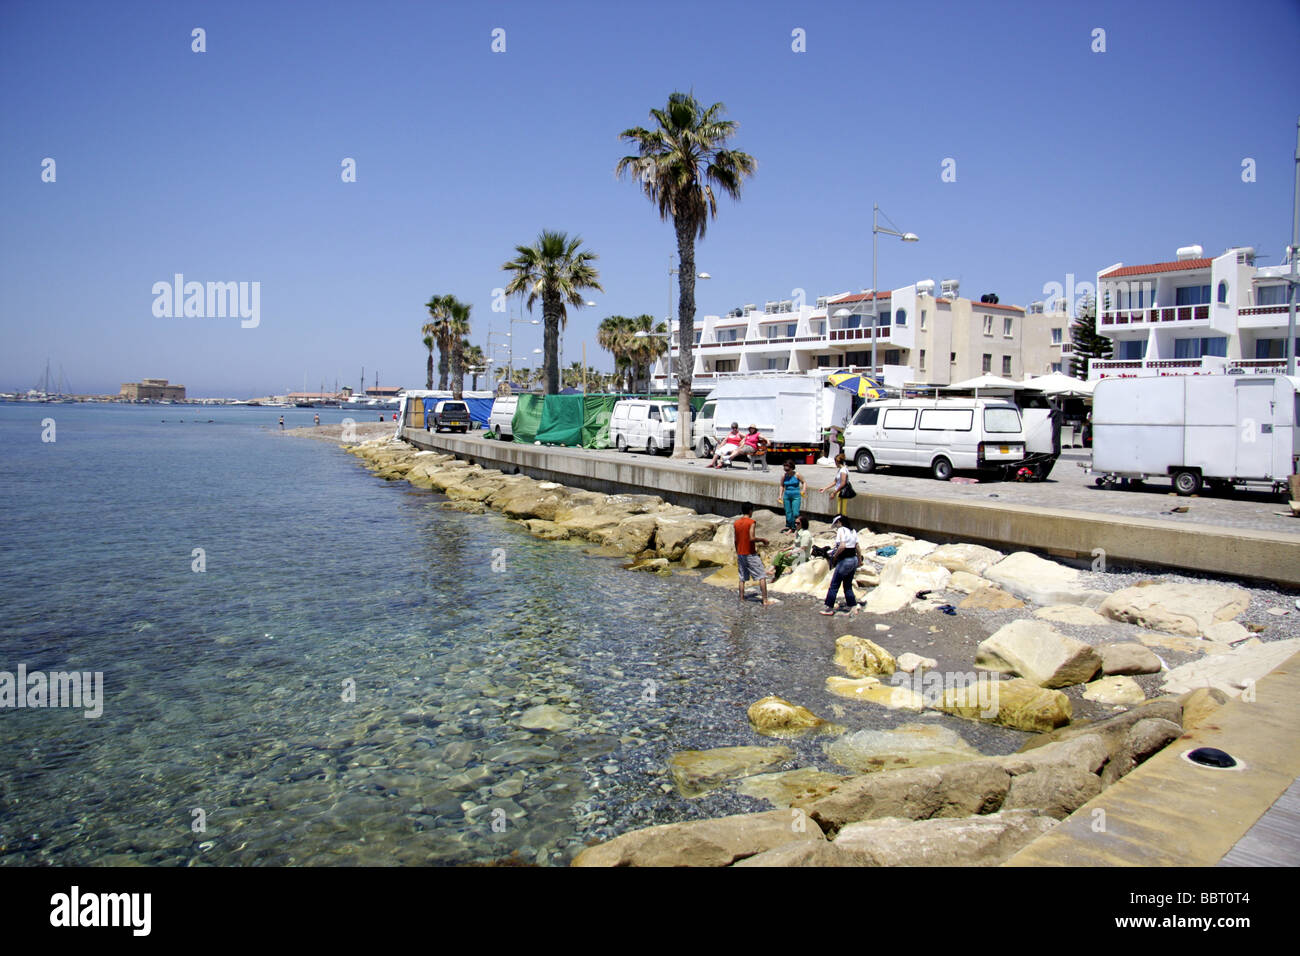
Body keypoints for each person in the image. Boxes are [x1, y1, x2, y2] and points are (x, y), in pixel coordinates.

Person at [820, 515, 860, 615]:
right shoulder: (853, 531)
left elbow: (842, 546)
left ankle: (829, 608)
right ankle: (853, 606)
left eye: (836, 524)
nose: (836, 527)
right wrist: (859, 560)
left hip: (845, 560)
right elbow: (857, 546)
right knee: (847, 585)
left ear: (840, 522)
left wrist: (835, 557)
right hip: (853, 559)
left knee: (834, 585)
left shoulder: (841, 530)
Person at [733, 501, 770, 606]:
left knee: (742, 578)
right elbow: (751, 538)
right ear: (750, 511)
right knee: (762, 576)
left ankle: (741, 598)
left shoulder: (736, 523)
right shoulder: (751, 522)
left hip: (740, 553)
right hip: (750, 553)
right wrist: (763, 539)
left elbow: (735, 540)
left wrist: (737, 551)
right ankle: (765, 600)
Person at [772, 514, 812, 581]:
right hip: (796, 553)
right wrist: (786, 549)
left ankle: (775, 576)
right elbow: (795, 545)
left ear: (803, 524)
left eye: (798, 523)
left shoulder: (805, 534)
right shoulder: (798, 532)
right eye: (795, 523)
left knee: (783, 559)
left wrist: (791, 552)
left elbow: (803, 548)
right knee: (781, 553)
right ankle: (774, 573)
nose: (796, 524)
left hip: (802, 556)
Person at [779, 459, 806, 531]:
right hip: (787, 495)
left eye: (788, 469)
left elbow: (804, 482)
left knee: (795, 512)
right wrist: (780, 496)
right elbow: (781, 485)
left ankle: (795, 526)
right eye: (785, 470)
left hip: (796, 495)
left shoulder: (797, 475)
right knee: (788, 512)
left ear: (791, 468)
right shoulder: (784, 475)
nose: (786, 471)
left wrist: (803, 490)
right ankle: (790, 526)